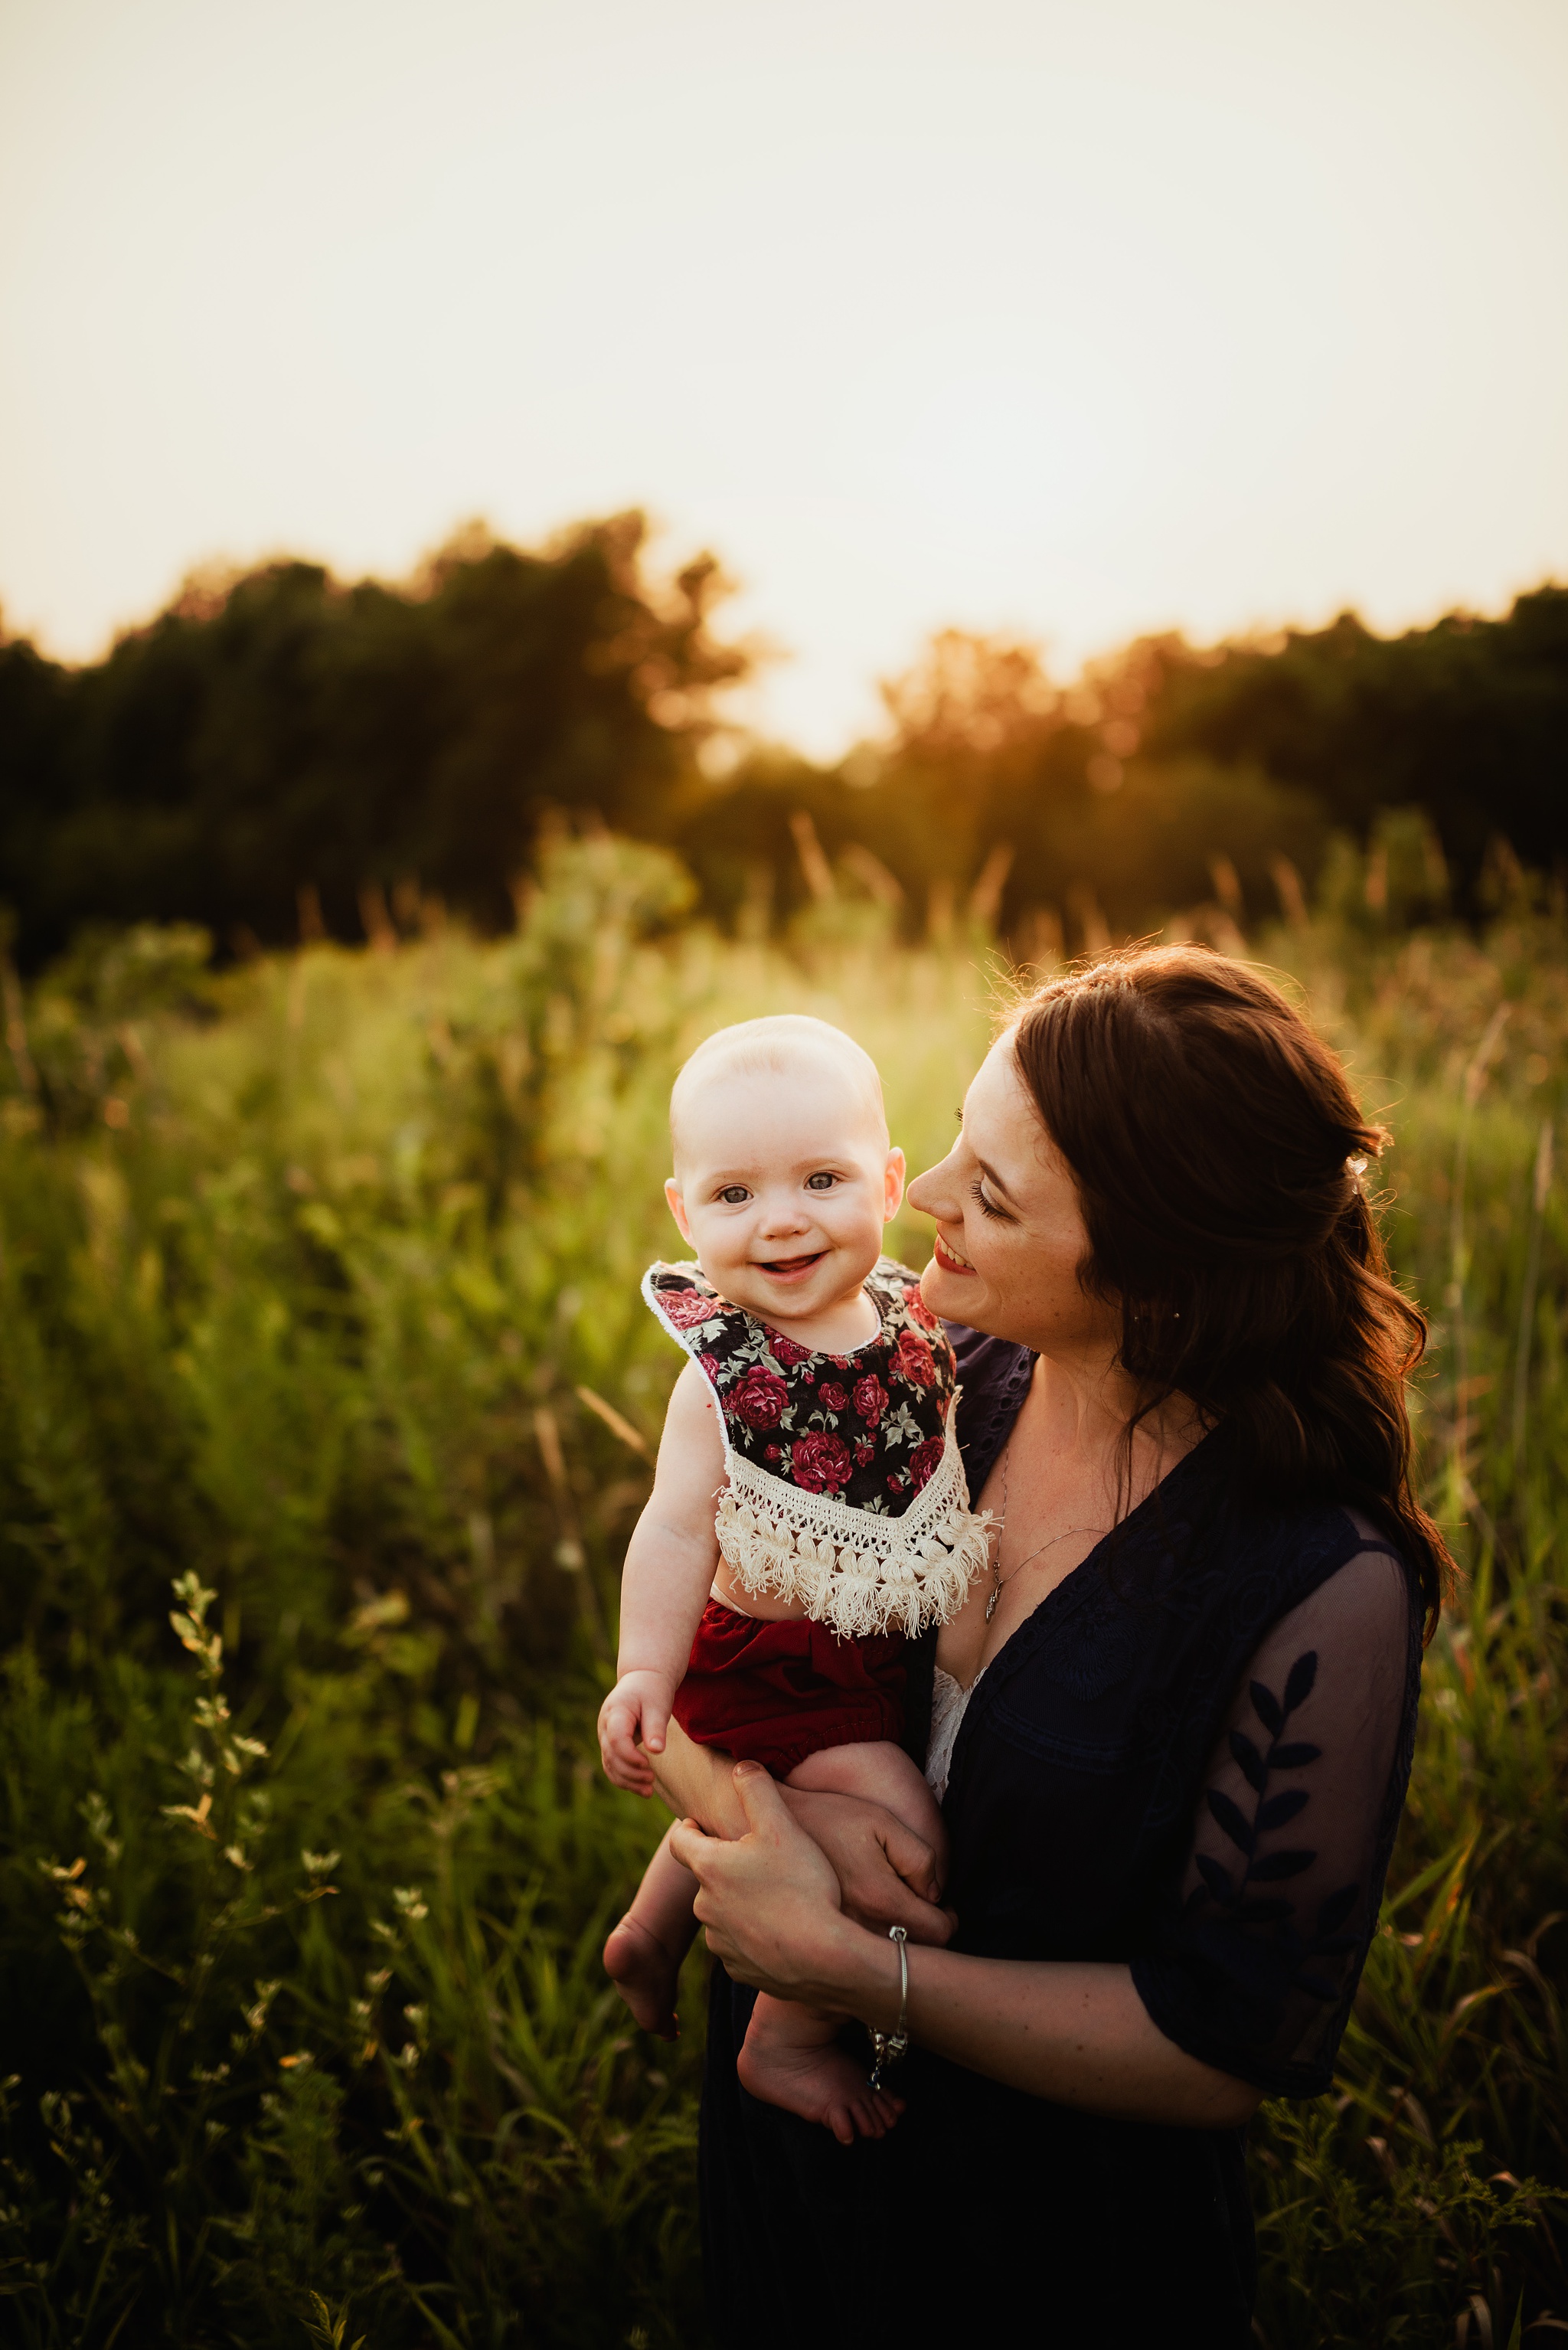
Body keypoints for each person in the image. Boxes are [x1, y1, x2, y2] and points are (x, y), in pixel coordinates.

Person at [648, 946, 1449, 2348]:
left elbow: (1224, 2046)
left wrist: (849, 1970)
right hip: (797, 2169)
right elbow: (739, 1658)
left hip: (1054, 2250)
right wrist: (749, 1839)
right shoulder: (933, 1383)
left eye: (994, 1193)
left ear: (1156, 1278)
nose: (928, 1197)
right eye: (955, 1139)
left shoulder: (1319, 1585)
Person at [597, 1015, 990, 2143]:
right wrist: (643, 1671)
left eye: (822, 1178)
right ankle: (785, 2030)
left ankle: (650, 1928)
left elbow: (942, 1483)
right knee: (907, 1832)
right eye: (733, 1195)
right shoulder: (723, 1371)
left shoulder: (918, 1322)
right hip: (772, 1669)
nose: (780, 1220)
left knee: (786, 1808)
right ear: (683, 1211)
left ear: (889, 1180)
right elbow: (675, 1531)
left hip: (868, 1654)